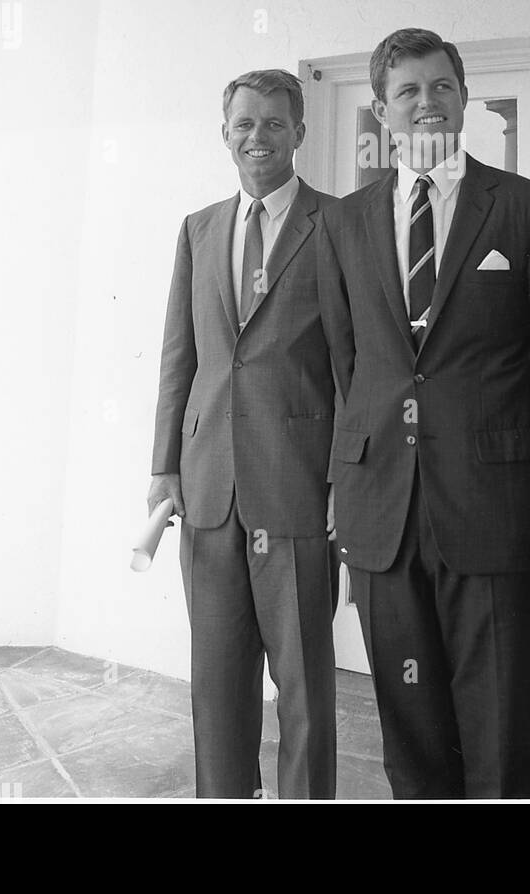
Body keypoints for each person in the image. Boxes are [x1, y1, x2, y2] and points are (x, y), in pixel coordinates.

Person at [316, 27, 530, 799]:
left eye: (440, 87)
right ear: (381, 110)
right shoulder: (343, 222)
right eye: (408, 91)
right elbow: (349, 361)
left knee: (501, 735)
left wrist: (498, 440)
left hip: (498, 509)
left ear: (463, 96)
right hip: (383, 516)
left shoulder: (528, 209)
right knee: (412, 730)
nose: (426, 103)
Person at [149, 68, 339, 798]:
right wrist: (165, 467)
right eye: (244, 124)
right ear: (224, 132)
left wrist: (343, 477)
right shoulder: (199, 229)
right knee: (216, 678)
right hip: (207, 487)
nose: (257, 137)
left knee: (304, 686)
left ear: (300, 131)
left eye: (273, 123)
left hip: (297, 485)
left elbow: (352, 363)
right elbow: (179, 357)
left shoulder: (337, 223)